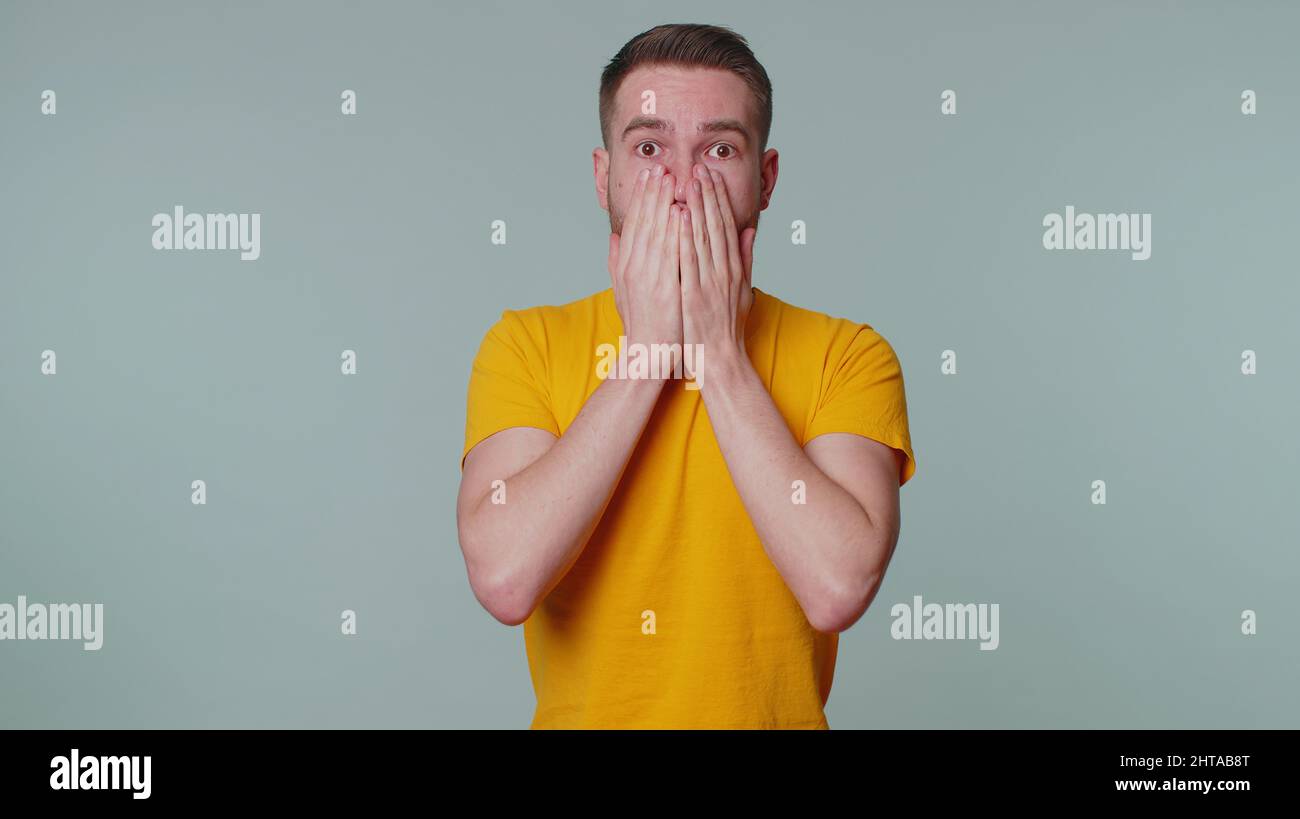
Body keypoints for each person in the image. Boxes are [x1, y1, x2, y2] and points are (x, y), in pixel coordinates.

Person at [456, 23, 917, 729]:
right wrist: (645, 353)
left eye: (720, 149)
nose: (681, 182)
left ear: (764, 181)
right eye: (648, 147)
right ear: (603, 176)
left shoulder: (847, 354)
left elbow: (837, 586)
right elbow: (504, 578)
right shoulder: (526, 344)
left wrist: (719, 355)